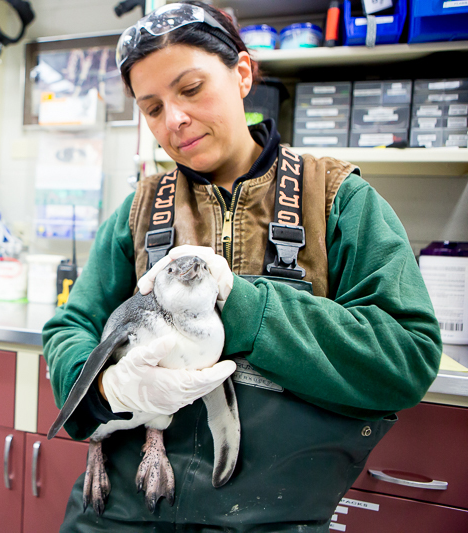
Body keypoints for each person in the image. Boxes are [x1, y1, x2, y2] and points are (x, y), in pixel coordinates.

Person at [42, 2, 442, 531]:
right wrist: (105, 389)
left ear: (243, 73)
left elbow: (406, 357)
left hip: (272, 519)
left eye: (190, 89)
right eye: (153, 107)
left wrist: (249, 311)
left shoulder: (337, 199)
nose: (174, 120)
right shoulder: (140, 209)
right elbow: (70, 328)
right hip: (117, 512)